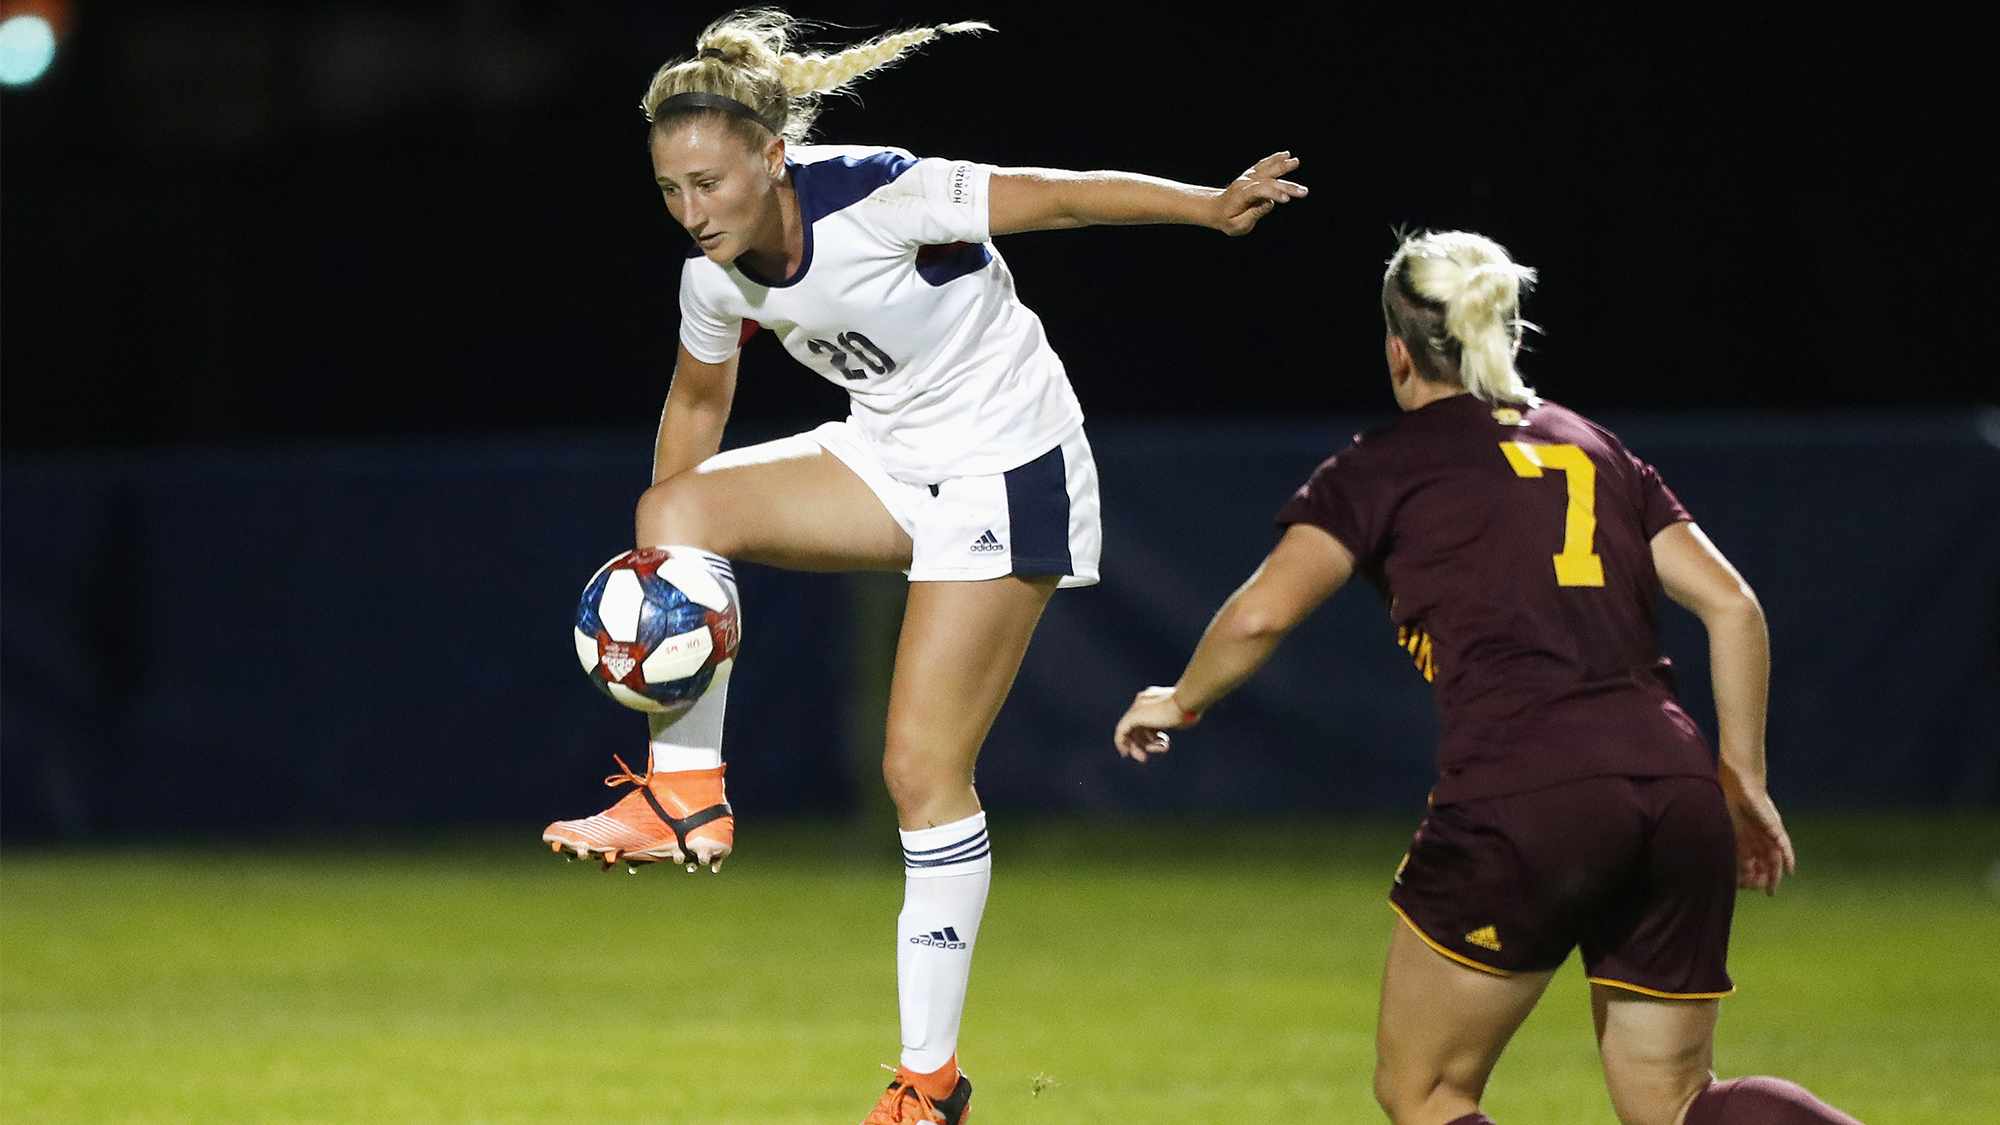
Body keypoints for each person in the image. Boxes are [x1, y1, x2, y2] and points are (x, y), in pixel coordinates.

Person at [539, 10, 1306, 1125]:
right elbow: (696, 406)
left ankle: (926, 1085)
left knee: (918, 772)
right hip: (888, 458)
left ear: (769, 156)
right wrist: (664, 567)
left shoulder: (882, 194)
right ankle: (682, 795)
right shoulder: (711, 281)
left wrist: (1204, 206)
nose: (691, 211)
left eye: (708, 180)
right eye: (669, 190)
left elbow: (1058, 192)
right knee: (672, 502)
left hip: (1006, 469)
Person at [1113, 231, 1865, 1125]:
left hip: (1529, 792)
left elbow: (1258, 613)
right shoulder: (1596, 447)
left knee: (1426, 1091)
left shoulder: (1383, 465)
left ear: (1399, 348)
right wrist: (1740, 780)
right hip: (1672, 784)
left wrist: (1180, 698)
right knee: (1675, 1101)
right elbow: (1735, 606)